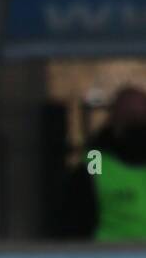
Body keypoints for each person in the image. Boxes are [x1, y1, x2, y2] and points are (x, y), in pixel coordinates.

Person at [56, 85, 146, 241]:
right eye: (131, 116)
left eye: (140, 117)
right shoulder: (96, 159)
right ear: (114, 119)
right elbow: (76, 216)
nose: (137, 124)